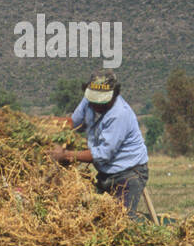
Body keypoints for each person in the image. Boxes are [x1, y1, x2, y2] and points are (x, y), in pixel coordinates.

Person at [49, 69, 150, 219]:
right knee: (93, 217)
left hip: (128, 174)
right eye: (93, 99)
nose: (96, 104)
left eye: (101, 100)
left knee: (121, 222)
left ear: (114, 94)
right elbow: (73, 123)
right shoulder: (89, 100)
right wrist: (45, 125)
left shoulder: (119, 114)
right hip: (105, 174)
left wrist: (66, 155)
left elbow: (102, 154)